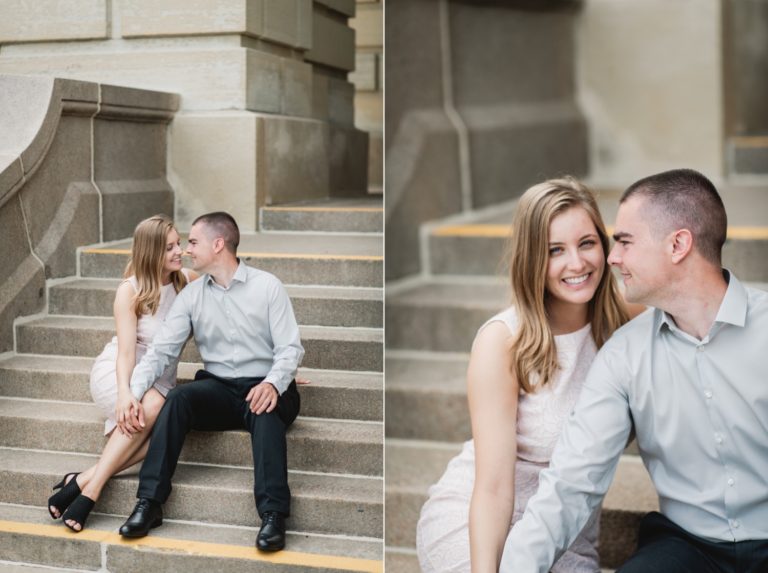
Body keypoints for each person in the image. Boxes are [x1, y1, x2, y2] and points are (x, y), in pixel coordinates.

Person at [500, 168, 768, 573]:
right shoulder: (622, 355)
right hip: (687, 546)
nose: (612, 257)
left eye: (625, 241)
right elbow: (572, 484)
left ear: (678, 244)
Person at [416, 178, 633, 572]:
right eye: (555, 251)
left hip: (569, 531)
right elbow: (494, 489)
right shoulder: (503, 340)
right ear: (532, 258)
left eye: (587, 243)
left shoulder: (624, 319)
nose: (577, 264)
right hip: (480, 523)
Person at [115, 211, 304, 552]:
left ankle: (274, 515)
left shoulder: (268, 287)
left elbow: (290, 349)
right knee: (179, 399)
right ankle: (149, 503)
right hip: (219, 387)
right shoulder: (191, 295)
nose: (186, 250)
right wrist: (131, 391)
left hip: (266, 386)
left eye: (192, 242)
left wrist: (274, 382)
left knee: (264, 409)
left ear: (218, 245)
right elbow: (160, 353)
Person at [47, 215, 197, 532]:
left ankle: (84, 479)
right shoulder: (130, 290)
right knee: (154, 408)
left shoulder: (188, 281)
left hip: (161, 380)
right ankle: (92, 492)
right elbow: (127, 353)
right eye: (169, 247)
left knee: (166, 429)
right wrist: (126, 393)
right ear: (151, 252)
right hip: (119, 373)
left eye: (179, 243)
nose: (179, 251)